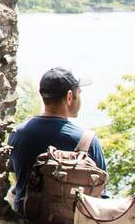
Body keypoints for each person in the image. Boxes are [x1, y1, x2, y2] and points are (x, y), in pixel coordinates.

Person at [8, 67, 106, 214]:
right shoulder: (88, 141)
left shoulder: (18, 134)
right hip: (73, 223)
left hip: (27, 217)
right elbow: (100, 192)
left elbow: (17, 178)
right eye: (79, 93)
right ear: (69, 96)